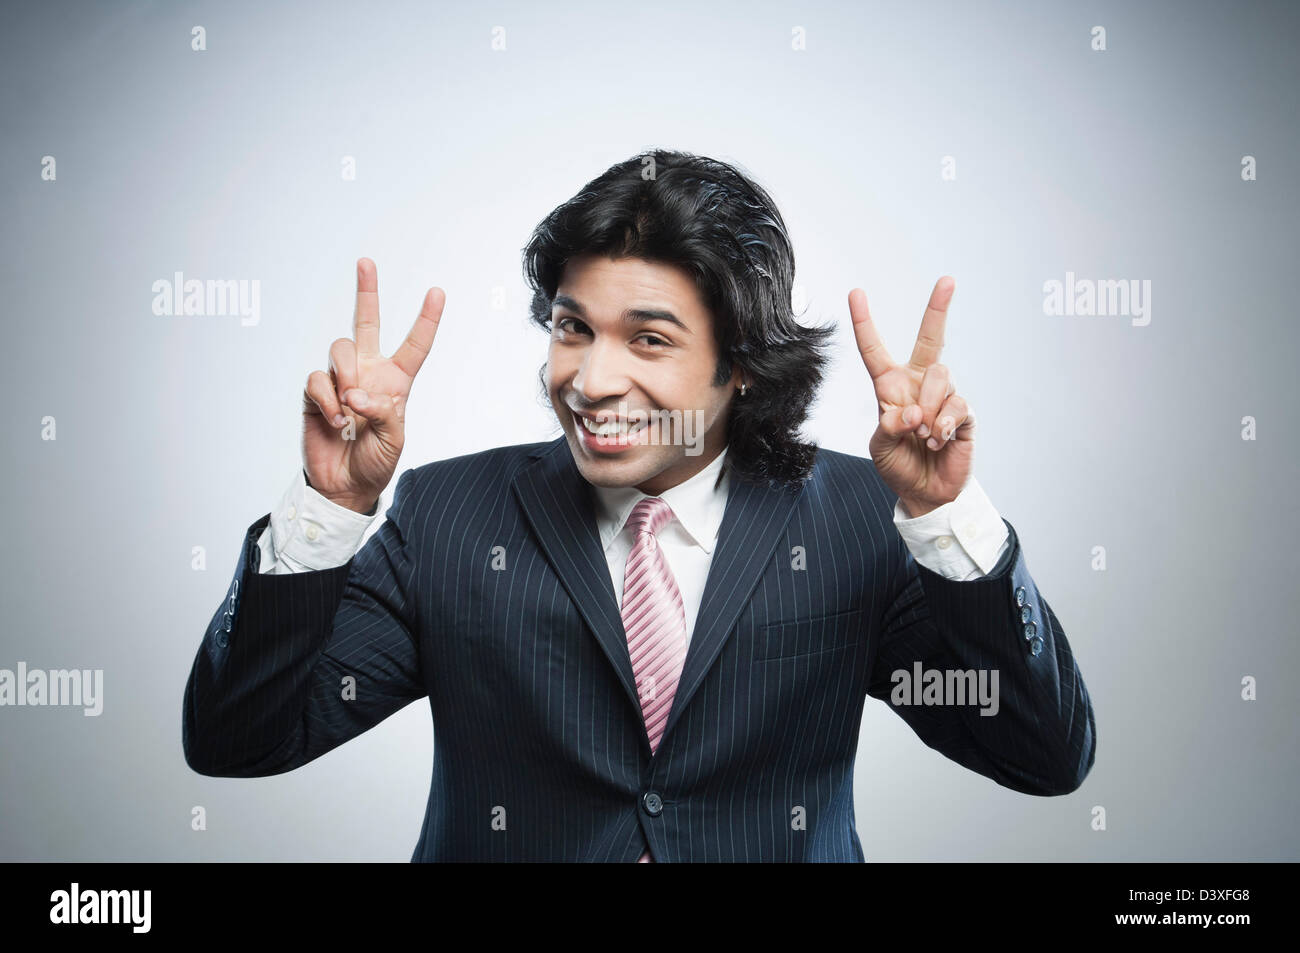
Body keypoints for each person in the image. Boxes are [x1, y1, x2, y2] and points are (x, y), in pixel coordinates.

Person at [182, 149, 1096, 862]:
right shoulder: (447, 516)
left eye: (648, 338)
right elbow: (237, 738)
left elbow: (1042, 755)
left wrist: (945, 517)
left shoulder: (855, 518)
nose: (590, 377)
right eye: (573, 327)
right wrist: (329, 506)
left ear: (739, 366)